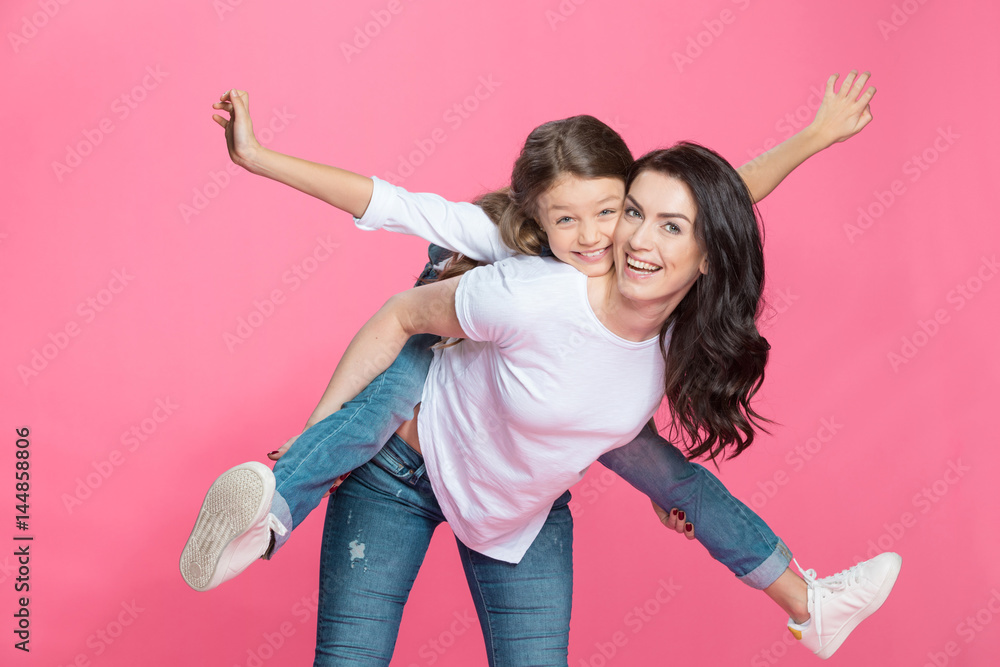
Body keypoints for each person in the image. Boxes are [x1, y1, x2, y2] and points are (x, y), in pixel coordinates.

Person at [180, 73, 899, 664]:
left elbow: (720, 198)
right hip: (413, 450)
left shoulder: (656, 270)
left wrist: (815, 135)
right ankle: (272, 511)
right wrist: (259, 157)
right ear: (539, 216)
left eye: (619, 214)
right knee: (396, 384)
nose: (600, 237)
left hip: (527, 482)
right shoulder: (523, 268)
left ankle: (810, 603)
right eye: (568, 220)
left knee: (676, 476)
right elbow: (392, 212)